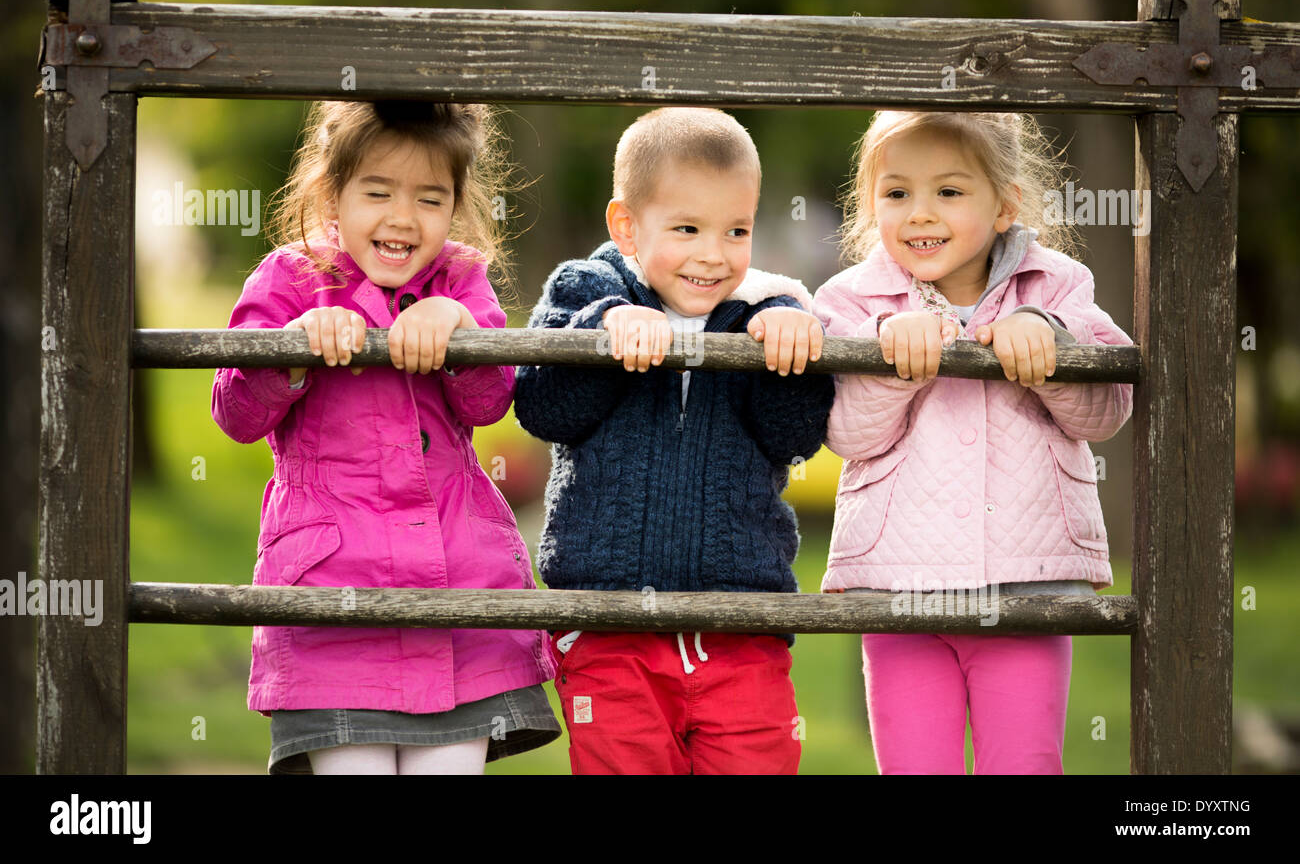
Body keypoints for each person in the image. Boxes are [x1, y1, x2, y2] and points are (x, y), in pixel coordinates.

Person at [211, 100, 559, 775]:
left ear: (455, 206)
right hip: (333, 600)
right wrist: (290, 353)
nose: (403, 218)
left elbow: (490, 402)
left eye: (430, 199)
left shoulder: (459, 279)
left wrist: (458, 328)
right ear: (332, 194)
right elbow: (235, 414)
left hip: (458, 599)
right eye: (378, 192)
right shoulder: (291, 279)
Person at [514, 107, 835, 774]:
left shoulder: (763, 312)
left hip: (740, 622)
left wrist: (787, 353)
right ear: (627, 227)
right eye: (686, 228)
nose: (713, 254)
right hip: (610, 624)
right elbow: (544, 409)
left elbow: (796, 438)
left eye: (736, 230)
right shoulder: (585, 291)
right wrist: (605, 332)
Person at [812, 110, 1134, 774]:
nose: (920, 214)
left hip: (1027, 587)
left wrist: (1048, 346)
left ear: (1006, 205)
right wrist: (891, 366)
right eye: (897, 193)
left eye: (949, 192)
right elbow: (844, 432)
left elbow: (1105, 413)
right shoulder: (850, 302)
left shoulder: (1059, 287)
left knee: (1024, 764)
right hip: (900, 590)